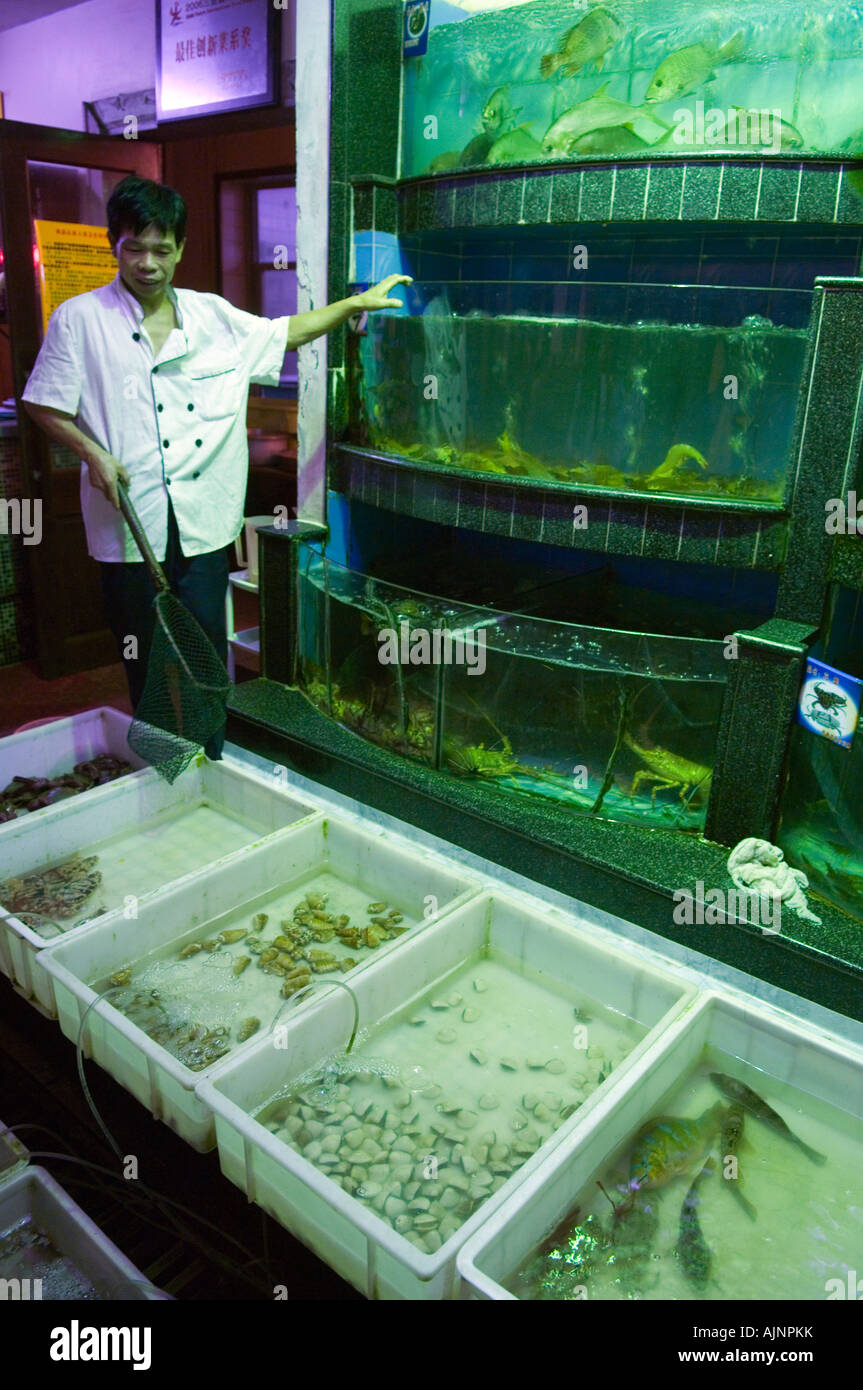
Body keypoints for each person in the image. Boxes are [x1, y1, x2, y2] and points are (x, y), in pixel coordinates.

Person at [22, 173, 410, 757]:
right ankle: (157, 756)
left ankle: (212, 756)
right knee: (140, 647)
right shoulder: (80, 319)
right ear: (112, 245)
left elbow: (283, 333)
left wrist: (352, 305)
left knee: (206, 645)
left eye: (161, 249)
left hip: (202, 523)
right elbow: (43, 404)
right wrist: (92, 452)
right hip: (129, 523)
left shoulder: (212, 317)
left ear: (180, 249)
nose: (148, 263)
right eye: (134, 248)